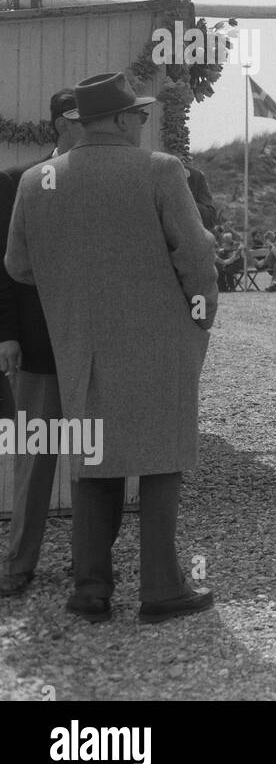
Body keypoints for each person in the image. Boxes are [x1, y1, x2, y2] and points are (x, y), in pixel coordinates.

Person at [5, 72, 217, 623]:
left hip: (78, 344)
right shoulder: (161, 171)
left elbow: (18, 266)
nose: (142, 123)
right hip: (156, 339)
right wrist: (200, 315)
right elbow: (195, 256)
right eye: (139, 115)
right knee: (160, 461)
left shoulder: (37, 180)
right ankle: (162, 589)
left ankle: (91, 589)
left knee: (93, 465)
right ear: (122, 120)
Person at [0, 89, 81, 598]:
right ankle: (18, 564)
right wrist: (6, 332)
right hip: (37, 343)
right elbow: (3, 268)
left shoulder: (112, 181)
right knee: (35, 456)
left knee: (95, 458)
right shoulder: (14, 183)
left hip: (99, 346)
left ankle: (88, 563)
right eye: (77, 119)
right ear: (59, 125)